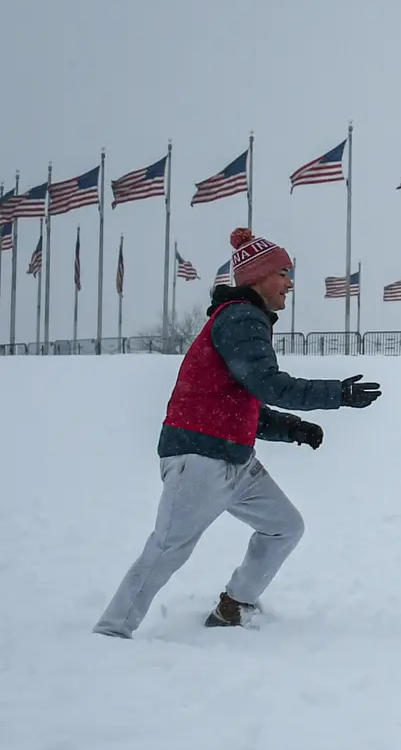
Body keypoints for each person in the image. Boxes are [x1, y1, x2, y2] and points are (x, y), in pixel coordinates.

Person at [93, 228, 383, 638]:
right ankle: (111, 631)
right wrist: (337, 394)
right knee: (167, 548)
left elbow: (240, 400)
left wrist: (292, 428)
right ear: (258, 277)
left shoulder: (245, 320)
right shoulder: (241, 318)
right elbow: (269, 384)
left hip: (232, 458)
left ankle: (234, 606)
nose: (290, 283)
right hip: (199, 458)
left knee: (284, 526)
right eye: (283, 272)